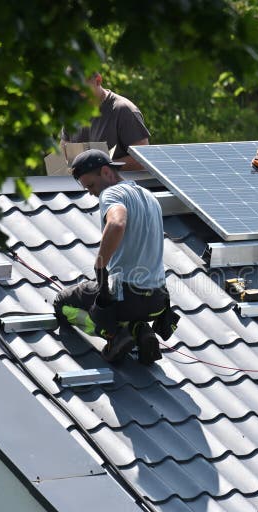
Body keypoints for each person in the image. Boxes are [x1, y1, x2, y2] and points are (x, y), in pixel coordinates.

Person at [53, 149, 169, 364]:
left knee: (62, 304)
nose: (90, 193)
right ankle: (139, 329)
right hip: (157, 301)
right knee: (123, 308)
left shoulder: (112, 194)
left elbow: (117, 223)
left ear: (106, 172)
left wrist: (100, 265)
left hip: (126, 297)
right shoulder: (150, 197)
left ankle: (113, 335)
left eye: (91, 186)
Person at [61, 72, 150, 171]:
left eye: (81, 90)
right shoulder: (72, 112)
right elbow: (64, 149)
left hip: (120, 184)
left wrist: (101, 167)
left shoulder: (124, 110)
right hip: (80, 185)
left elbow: (142, 160)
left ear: (98, 80)